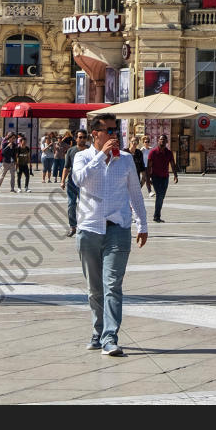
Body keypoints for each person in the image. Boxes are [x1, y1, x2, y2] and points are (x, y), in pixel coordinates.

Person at [69, 127, 147, 355]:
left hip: (118, 229)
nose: (115, 135)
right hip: (89, 229)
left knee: (112, 285)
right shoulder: (82, 157)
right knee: (95, 289)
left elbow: (135, 191)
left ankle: (110, 337)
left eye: (116, 130)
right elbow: (79, 180)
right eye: (109, 131)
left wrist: (142, 224)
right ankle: (98, 331)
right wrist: (101, 156)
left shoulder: (126, 159)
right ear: (96, 133)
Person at [60, 130, 88, 237]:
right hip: (72, 182)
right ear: (76, 138)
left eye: (84, 137)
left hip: (86, 183)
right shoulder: (71, 151)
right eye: (80, 137)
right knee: (71, 204)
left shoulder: (90, 151)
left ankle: (84, 226)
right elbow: (66, 167)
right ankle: (73, 227)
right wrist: (62, 181)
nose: (82, 139)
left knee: (84, 205)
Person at [148, 134, 176, 222]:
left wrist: (175, 175)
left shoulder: (169, 153)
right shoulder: (153, 152)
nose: (162, 141)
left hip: (165, 177)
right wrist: (148, 178)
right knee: (159, 195)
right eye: (161, 139)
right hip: (155, 177)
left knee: (161, 196)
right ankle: (156, 216)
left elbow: (172, 164)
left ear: (167, 142)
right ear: (158, 141)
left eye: (164, 140)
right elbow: (149, 166)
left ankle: (157, 215)